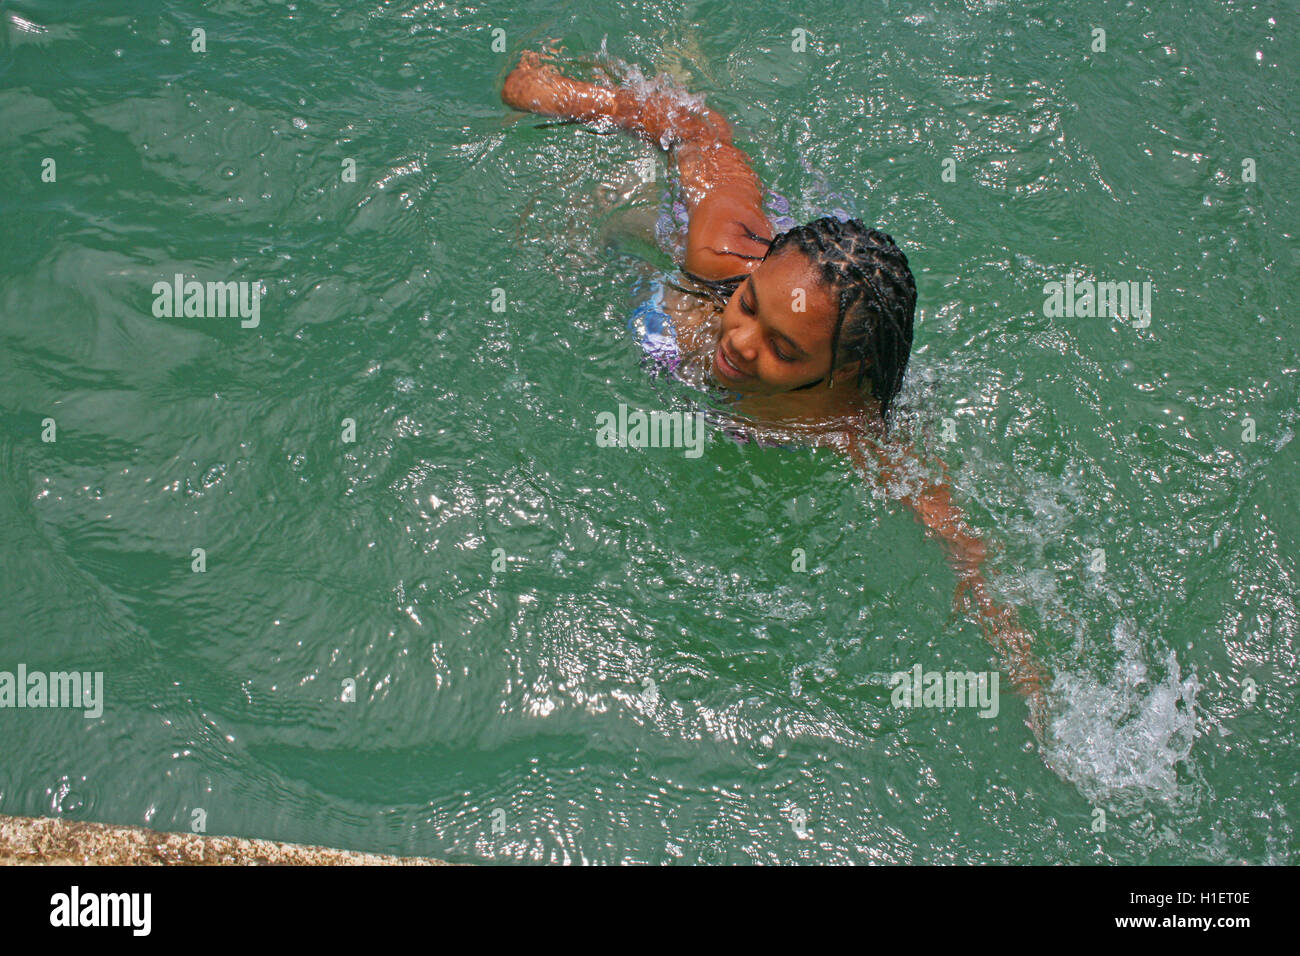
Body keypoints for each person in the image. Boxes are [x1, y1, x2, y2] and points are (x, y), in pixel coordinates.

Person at [501, 47, 1048, 734]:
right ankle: (681, 47)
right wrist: (560, 95)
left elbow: (965, 547)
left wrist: (1022, 668)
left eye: (783, 350)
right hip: (646, 269)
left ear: (842, 380)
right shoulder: (723, 257)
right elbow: (697, 128)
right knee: (601, 217)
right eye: (752, 308)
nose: (740, 341)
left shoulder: (854, 429)